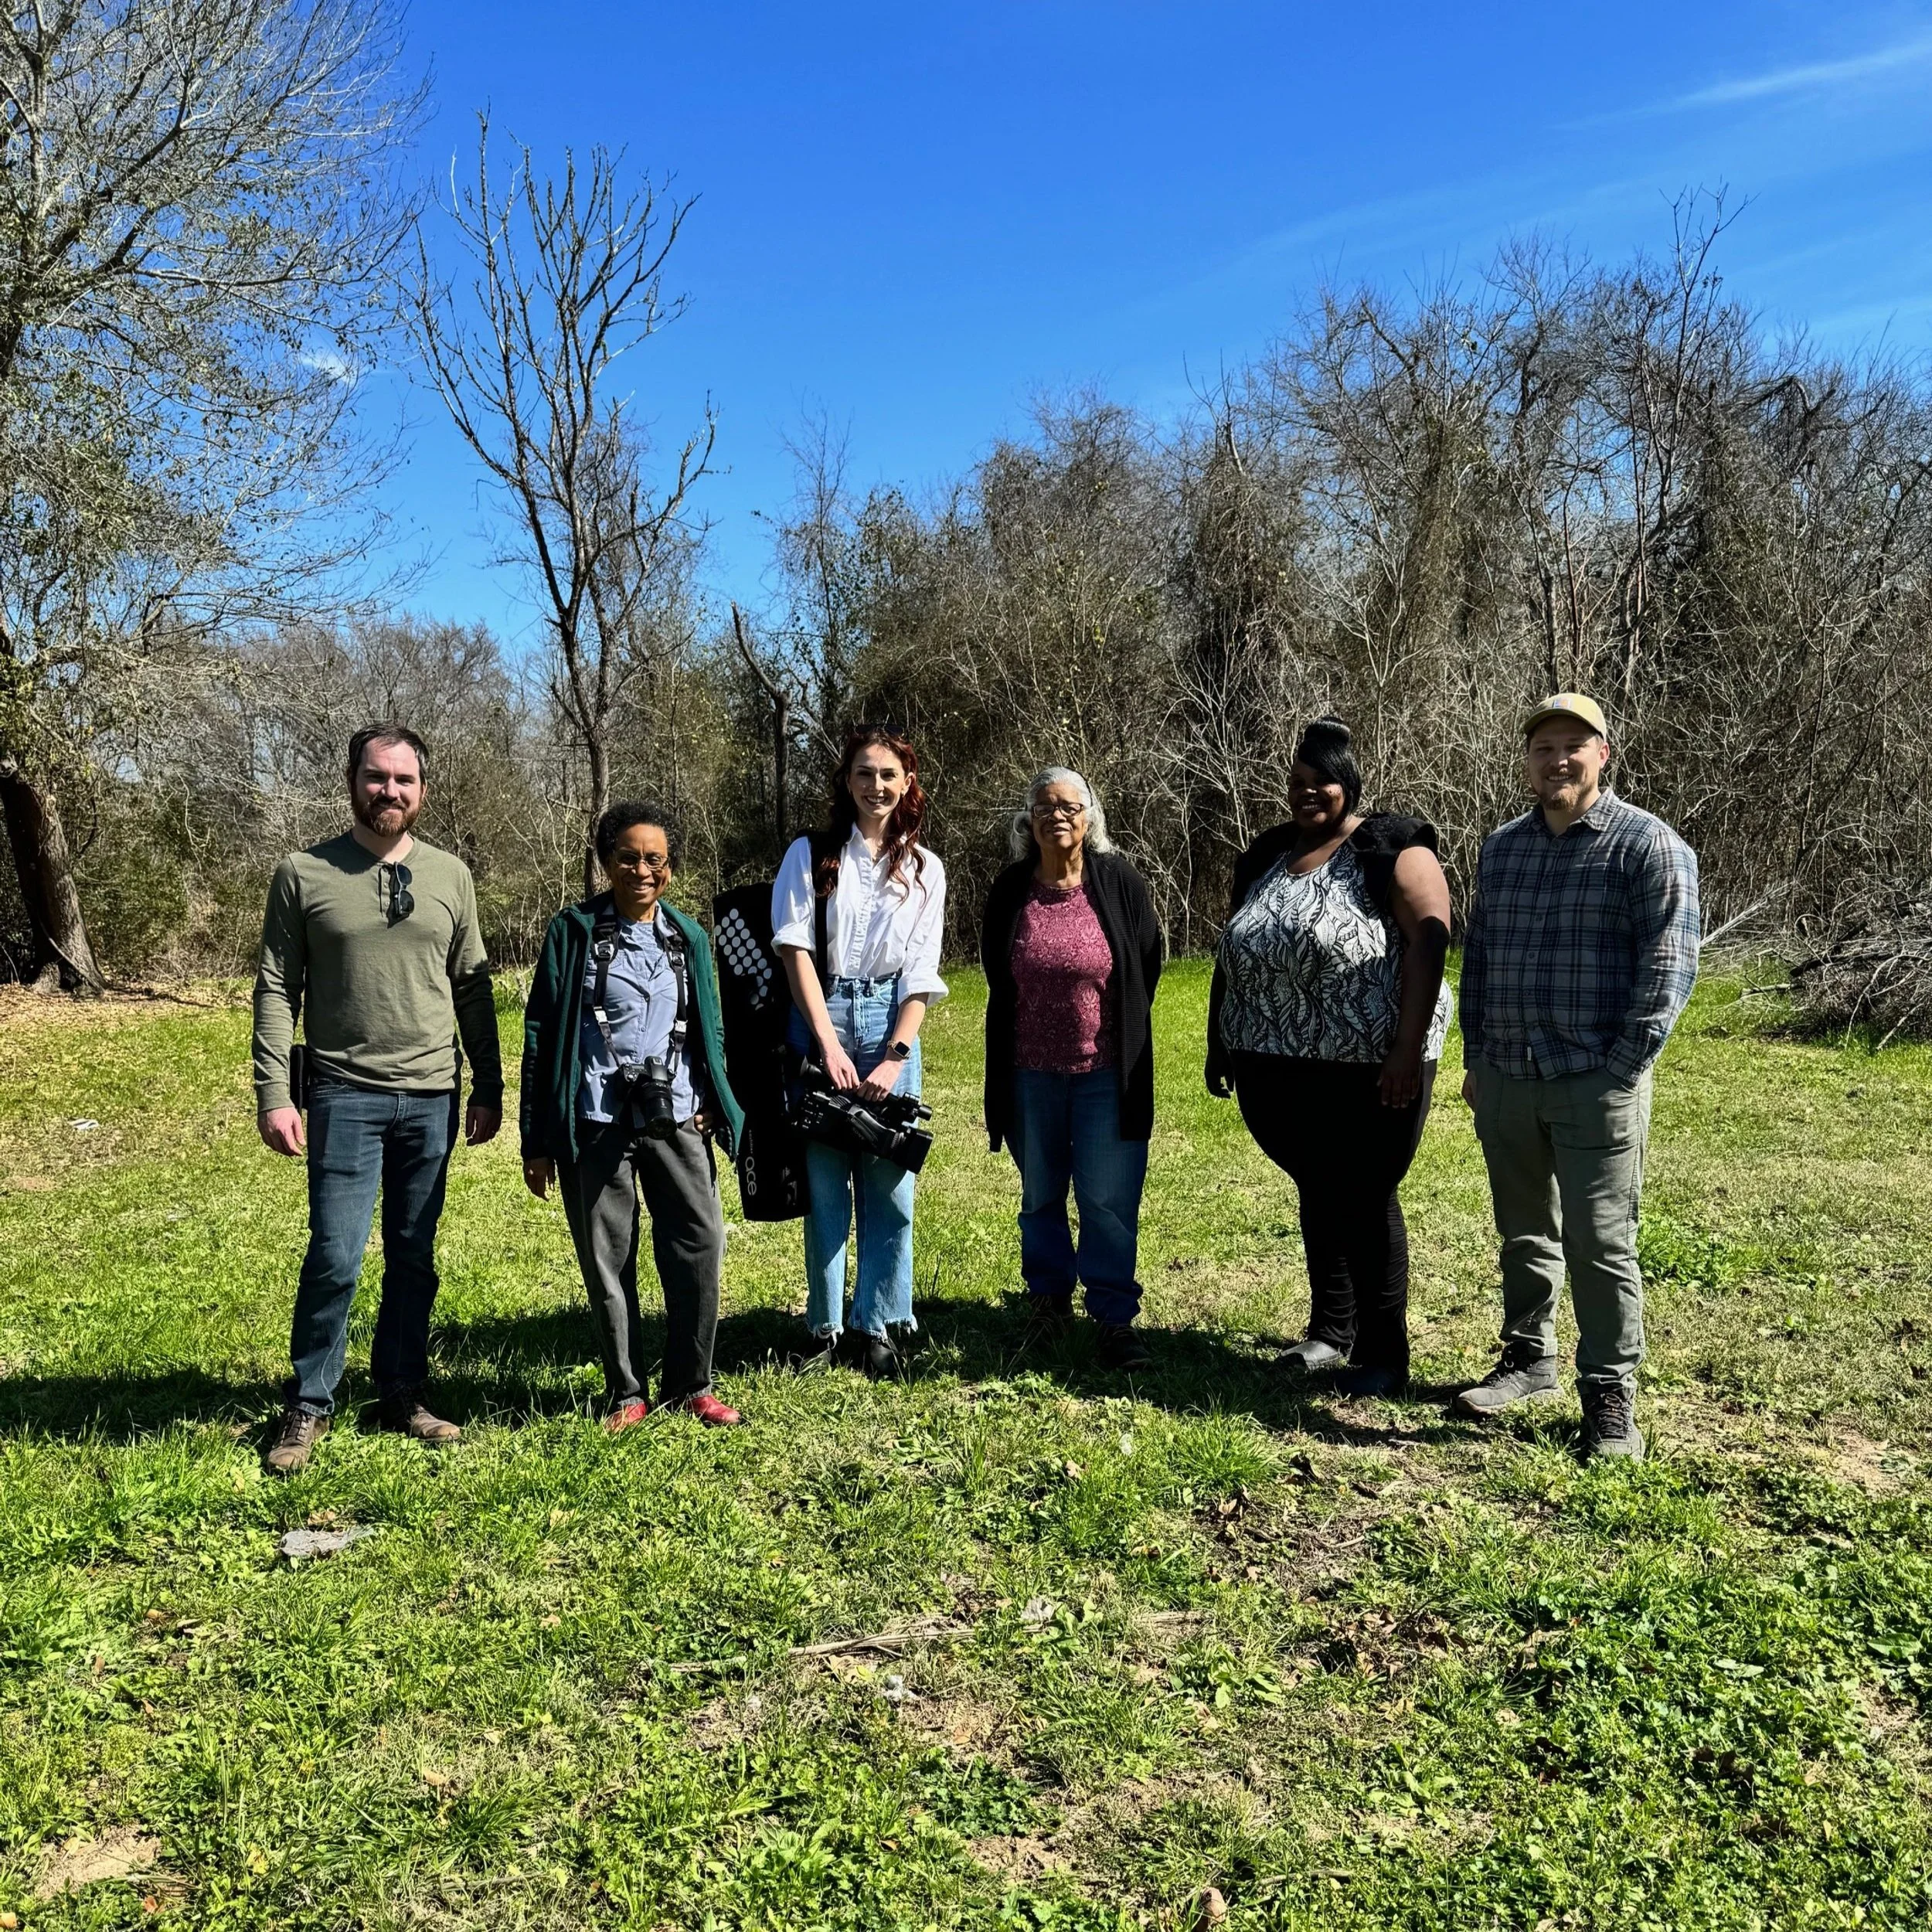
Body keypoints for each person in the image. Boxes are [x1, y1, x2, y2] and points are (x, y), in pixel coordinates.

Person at [1454, 694, 1699, 1460]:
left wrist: (1621, 1070)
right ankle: (1529, 1359)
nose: (1557, 759)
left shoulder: (1648, 846)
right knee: (1523, 1230)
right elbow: (1480, 958)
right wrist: (1476, 1057)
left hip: (1596, 1080)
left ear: (1603, 754)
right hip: (1507, 1075)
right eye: (1543, 747)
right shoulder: (1503, 848)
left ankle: (1608, 1395)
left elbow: (1669, 969)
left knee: (1601, 1242)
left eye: (1573, 745)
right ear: (1528, 762)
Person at [253, 723, 502, 1473]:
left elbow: (473, 987)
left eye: (403, 779)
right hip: (342, 1093)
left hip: (432, 1095)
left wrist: (488, 1084)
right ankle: (309, 1401)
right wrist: (273, 1091)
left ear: (422, 790)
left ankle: (402, 1391)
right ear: (352, 782)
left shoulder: (451, 876)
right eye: (376, 776)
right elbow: (276, 989)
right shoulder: (304, 873)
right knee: (335, 1255)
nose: (389, 790)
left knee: (413, 1255)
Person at [1206, 718, 1452, 1398]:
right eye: (1297, 782)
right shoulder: (1268, 853)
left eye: (1323, 781)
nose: (1308, 792)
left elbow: (1430, 941)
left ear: (1350, 784)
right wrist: (1219, 1040)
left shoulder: (1392, 845)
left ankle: (1384, 1354)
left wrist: (1406, 1049)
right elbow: (1235, 949)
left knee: (1366, 1194)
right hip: (1274, 1058)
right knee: (1317, 1187)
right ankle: (1330, 1330)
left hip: (1372, 1062)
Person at [519, 801, 747, 1430]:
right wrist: (537, 1139)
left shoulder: (688, 937)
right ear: (605, 861)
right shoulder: (573, 932)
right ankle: (627, 1393)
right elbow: (540, 1033)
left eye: (655, 859)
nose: (642, 870)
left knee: (700, 1243)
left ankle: (692, 1384)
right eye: (628, 857)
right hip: (596, 1119)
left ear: (670, 868)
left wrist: (712, 1097)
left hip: (678, 1115)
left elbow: (710, 1025)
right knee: (608, 1260)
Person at [772, 724, 947, 1378]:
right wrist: (827, 1044)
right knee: (825, 1186)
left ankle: (877, 1326)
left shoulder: (926, 869)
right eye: (865, 773)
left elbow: (922, 974)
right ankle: (823, 1330)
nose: (876, 786)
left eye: (888, 775)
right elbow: (794, 949)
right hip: (821, 1015)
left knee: (890, 1184)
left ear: (907, 784)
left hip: (891, 1020)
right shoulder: (811, 855)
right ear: (846, 781)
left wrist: (895, 1056)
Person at [980, 767, 1163, 1370]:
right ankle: (1048, 1301)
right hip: (1029, 1074)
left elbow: (1146, 962)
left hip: (1107, 1074)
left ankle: (1113, 1318)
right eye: (1043, 807)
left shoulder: (1119, 882)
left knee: (1108, 1200)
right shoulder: (1011, 889)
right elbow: (996, 972)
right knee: (1040, 1194)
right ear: (1028, 821)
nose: (1056, 816)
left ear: (1090, 817)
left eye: (1068, 806)